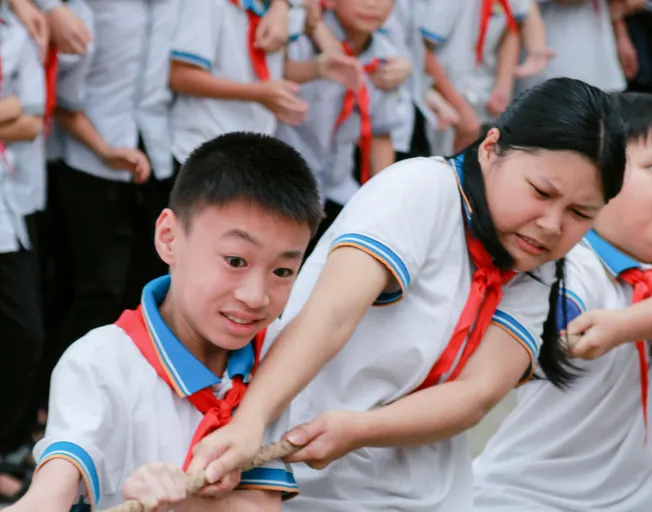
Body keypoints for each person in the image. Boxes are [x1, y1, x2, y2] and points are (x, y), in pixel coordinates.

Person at [182, 77, 628, 511]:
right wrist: (251, 422)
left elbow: (478, 393)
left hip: (428, 494)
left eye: (579, 213)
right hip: (305, 484)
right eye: (541, 192)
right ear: (491, 148)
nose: (551, 224)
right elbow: (332, 312)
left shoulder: (538, 265)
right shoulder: (420, 189)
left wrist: (359, 429)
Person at [4, 132, 323, 512]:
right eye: (235, 261)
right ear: (169, 238)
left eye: (284, 271)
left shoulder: (281, 359)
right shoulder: (98, 362)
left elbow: (259, 505)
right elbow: (50, 493)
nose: (255, 296)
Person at [473, 92, 652, 512]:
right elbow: (553, 324)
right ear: (599, 182)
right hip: (525, 499)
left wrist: (628, 325)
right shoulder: (570, 267)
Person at [0, 1, 47, 503]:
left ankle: (6, 443)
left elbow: (31, 117)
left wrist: (14, 109)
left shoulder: (17, 26)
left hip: (9, 201)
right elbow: (14, 109)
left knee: (22, 328)